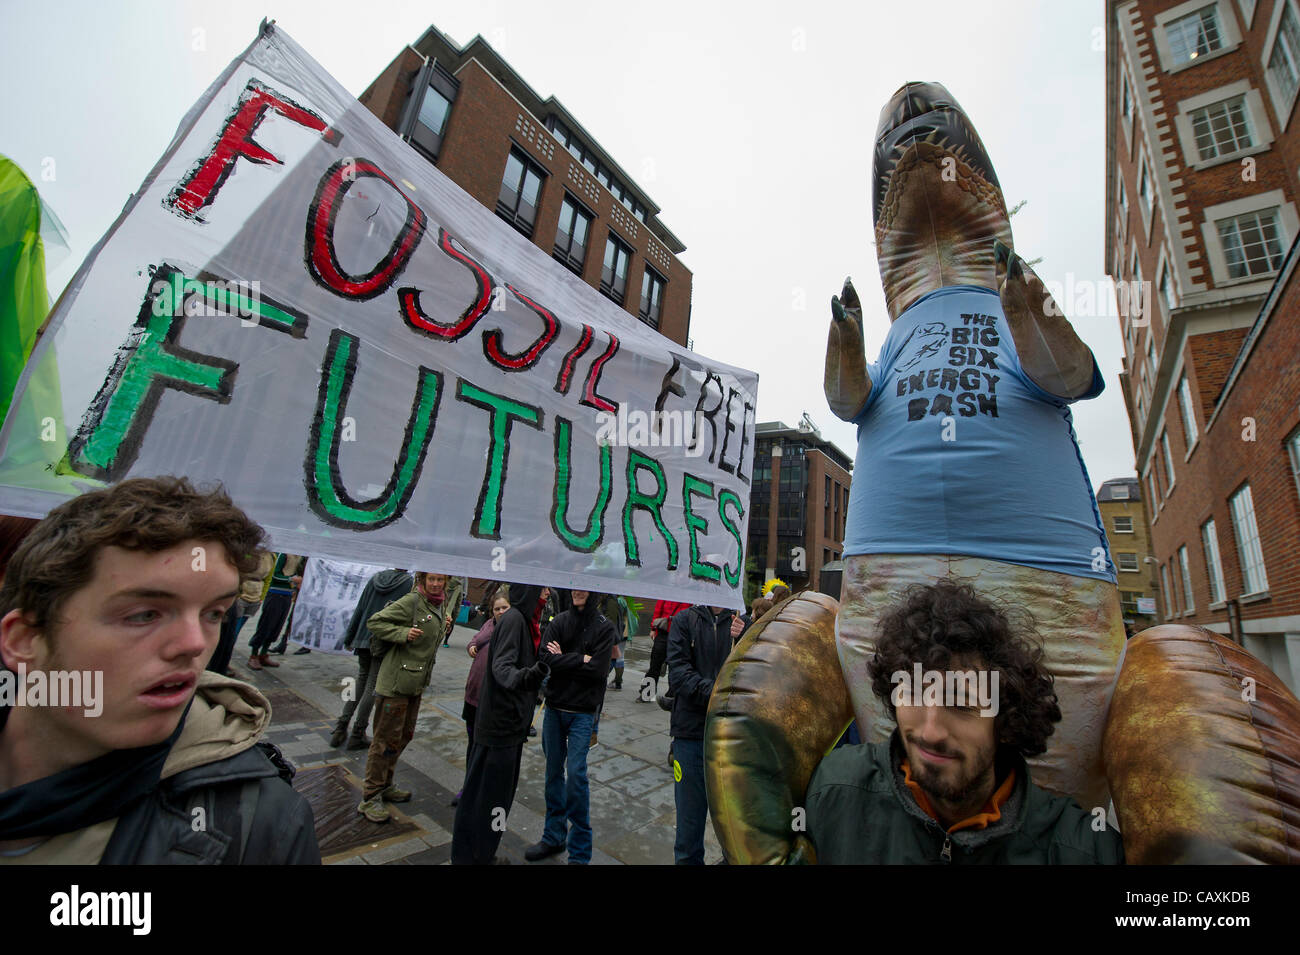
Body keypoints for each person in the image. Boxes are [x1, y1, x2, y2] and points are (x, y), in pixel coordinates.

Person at [0, 476, 320, 863]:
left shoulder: (263, 827)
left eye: (213, 613)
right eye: (144, 614)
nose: (194, 644)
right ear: (23, 640)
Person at [804, 580, 1125, 864]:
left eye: (960, 704)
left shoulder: (1080, 850)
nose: (930, 732)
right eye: (912, 693)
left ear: (1006, 718)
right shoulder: (833, 791)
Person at [451, 583, 549, 864]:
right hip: (500, 726)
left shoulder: (524, 621)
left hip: (508, 725)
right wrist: (536, 672)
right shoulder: (515, 620)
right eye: (540, 588)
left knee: (491, 797)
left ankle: (480, 853)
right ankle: (477, 856)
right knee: (489, 798)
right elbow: (503, 670)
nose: (546, 593)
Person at [356, 571, 460, 823]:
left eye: (440, 580)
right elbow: (375, 622)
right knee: (384, 739)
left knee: (402, 736)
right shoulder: (412, 601)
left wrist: (442, 621)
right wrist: (403, 634)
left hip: (414, 684)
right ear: (422, 581)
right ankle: (370, 796)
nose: (436, 584)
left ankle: (386, 784)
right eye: (431, 579)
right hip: (395, 684)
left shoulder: (439, 603)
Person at [526, 590, 616, 864]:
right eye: (574, 584)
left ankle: (579, 853)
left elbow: (599, 670)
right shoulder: (559, 621)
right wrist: (581, 659)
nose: (578, 590)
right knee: (553, 773)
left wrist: (565, 658)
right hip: (555, 710)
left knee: (576, 777)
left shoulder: (604, 627)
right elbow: (546, 659)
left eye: (584, 586)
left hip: (582, 715)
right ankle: (553, 836)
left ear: (594, 592)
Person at [668, 603, 743, 864]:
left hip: (732, 737)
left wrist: (743, 637)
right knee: (688, 828)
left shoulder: (741, 624)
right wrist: (717, 693)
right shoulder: (683, 621)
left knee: (735, 830)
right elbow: (677, 675)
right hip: (690, 735)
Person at [330, 568, 414, 750]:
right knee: (372, 685)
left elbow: (361, 607)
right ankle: (358, 733)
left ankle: (341, 727)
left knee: (361, 679)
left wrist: (350, 635)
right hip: (382, 640)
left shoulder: (376, 578)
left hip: (362, 635)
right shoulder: (408, 583)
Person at [452, 592, 510, 807]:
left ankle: (482, 789)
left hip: (491, 700)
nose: (501, 612)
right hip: (473, 695)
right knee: (472, 744)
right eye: (497, 609)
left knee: (485, 747)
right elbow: (474, 641)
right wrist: (471, 647)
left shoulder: (512, 631)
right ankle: (468, 785)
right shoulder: (487, 625)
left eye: (505, 608)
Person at [208, 549, 274, 676]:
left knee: (235, 632)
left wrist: (262, 596)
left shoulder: (271, 556)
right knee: (230, 633)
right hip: (240, 595)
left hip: (255, 596)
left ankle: (224, 661)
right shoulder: (247, 551)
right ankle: (218, 663)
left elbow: (268, 579)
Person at [245, 552, 303, 669]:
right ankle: (254, 655)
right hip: (275, 594)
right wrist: (292, 579)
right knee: (266, 624)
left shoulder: (299, 556)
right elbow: (274, 575)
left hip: (287, 595)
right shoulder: (282, 555)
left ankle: (264, 653)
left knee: (277, 626)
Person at [642, 599, 690, 703]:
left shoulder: (690, 594)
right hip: (664, 633)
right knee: (654, 666)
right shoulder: (667, 592)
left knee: (676, 667)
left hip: (680, 635)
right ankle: (647, 693)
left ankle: (672, 695)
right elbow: (658, 610)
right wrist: (653, 628)